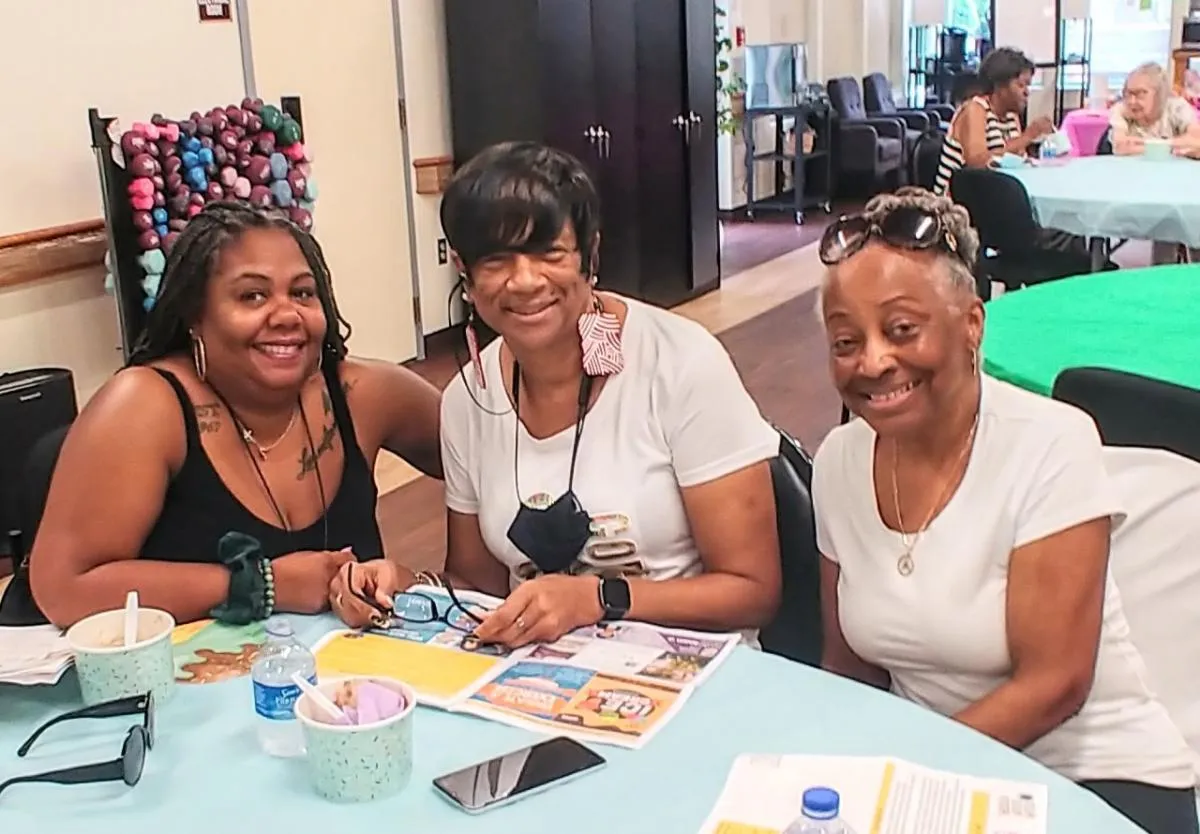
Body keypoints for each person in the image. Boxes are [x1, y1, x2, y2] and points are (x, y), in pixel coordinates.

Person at [811, 187, 1197, 834]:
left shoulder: (1053, 442)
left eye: (902, 330)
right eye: (845, 341)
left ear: (971, 324)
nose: (873, 361)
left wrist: (901, 775)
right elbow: (847, 667)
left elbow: (1054, 686)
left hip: (1093, 777)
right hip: (940, 778)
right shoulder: (839, 462)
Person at [331, 141, 782, 647]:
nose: (524, 281)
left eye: (549, 253)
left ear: (590, 254)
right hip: (545, 679)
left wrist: (598, 599)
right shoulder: (467, 399)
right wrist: (406, 586)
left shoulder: (679, 364)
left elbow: (752, 591)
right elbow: (475, 586)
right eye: (497, 260)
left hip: (693, 676)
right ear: (464, 270)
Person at [28, 202, 442, 629]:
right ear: (196, 316)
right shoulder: (147, 405)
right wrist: (263, 585)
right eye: (253, 296)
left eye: (302, 293)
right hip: (196, 685)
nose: (286, 315)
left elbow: (496, 450)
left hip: (352, 684)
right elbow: (63, 590)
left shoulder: (362, 393)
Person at [1109, 62, 1200, 263]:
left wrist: (1146, 144)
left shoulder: (1177, 107)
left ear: (1159, 95)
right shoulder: (1121, 111)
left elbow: (1196, 142)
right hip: (1136, 186)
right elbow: (1121, 146)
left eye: (1140, 94)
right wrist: (1175, 146)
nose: (1132, 101)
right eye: (1128, 93)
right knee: (1165, 223)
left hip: (1182, 186)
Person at [932, 47, 1052, 195]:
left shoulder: (1010, 116)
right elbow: (976, 163)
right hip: (958, 206)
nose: (1027, 92)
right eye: (1021, 85)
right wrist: (1028, 136)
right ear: (999, 86)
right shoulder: (975, 109)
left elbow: (1015, 159)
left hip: (993, 196)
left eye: (1028, 85)